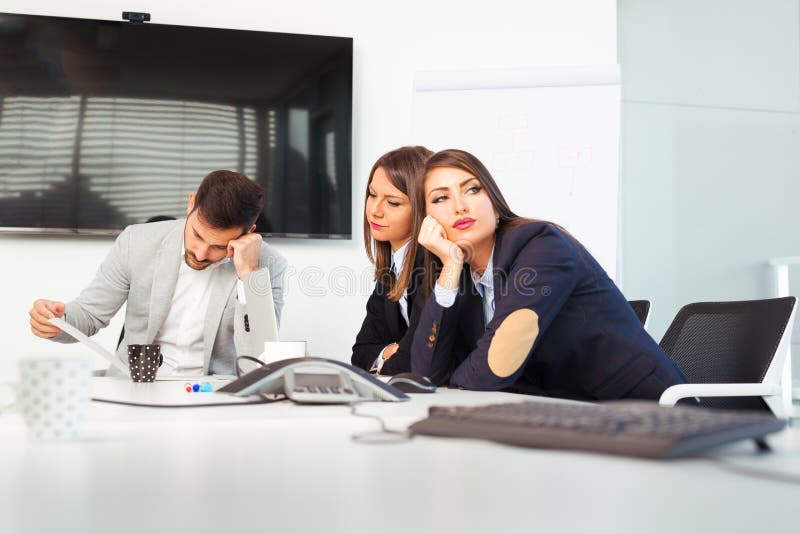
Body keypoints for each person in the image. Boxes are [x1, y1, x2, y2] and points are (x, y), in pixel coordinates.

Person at [411, 149, 688, 401]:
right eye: (441, 198)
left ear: (494, 205)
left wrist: (456, 378)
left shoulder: (542, 246)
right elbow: (426, 377)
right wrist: (450, 265)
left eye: (472, 189)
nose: (460, 206)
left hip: (646, 407)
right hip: (569, 413)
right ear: (427, 221)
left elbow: (494, 369)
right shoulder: (463, 279)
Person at [29, 170, 287, 377]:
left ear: (248, 233)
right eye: (197, 235)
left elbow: (261, 359)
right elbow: (89, 316)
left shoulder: (268, 264)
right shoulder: (136, 241)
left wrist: (248, 276)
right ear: (191, 204)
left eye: (219, 247)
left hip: (212, 394)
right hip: (136, 387)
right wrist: (56, 321)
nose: (200, 253)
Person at [351, 146, 432, 374]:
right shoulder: (393, 268)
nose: (374, 211)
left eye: (393, 203)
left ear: (423, 208)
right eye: (372, 195)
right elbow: (360, 353)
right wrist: (389, 352)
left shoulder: (434, 265)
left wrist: (396, 354)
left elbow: (415, 361)